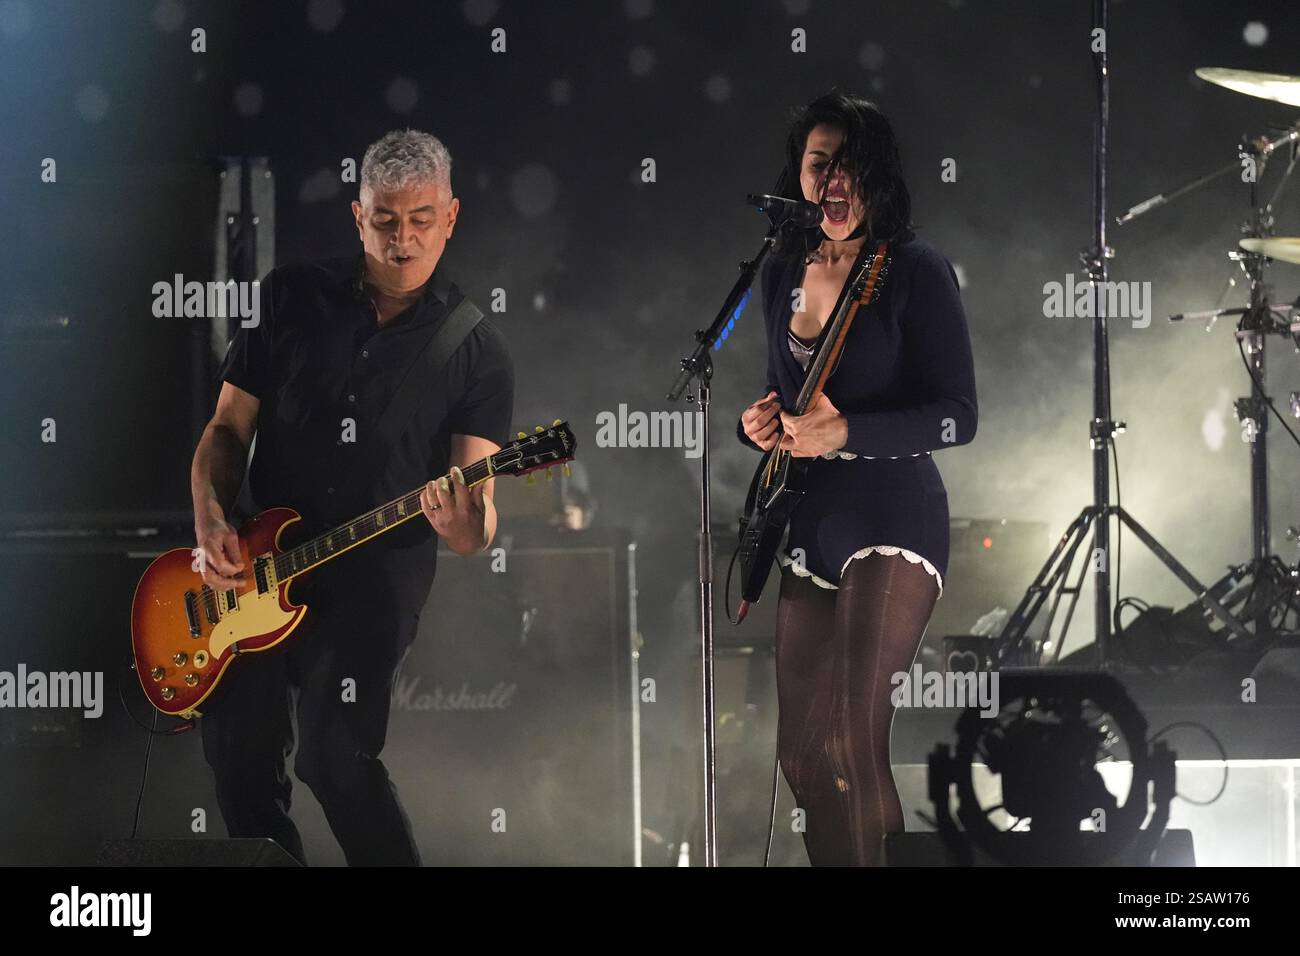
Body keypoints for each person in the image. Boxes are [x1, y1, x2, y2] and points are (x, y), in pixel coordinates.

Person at [190, 129, 515, 865]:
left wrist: (464, 522)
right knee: (242, 768)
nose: (403, 240)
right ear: (356, 215)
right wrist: (211, 516)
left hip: (372, 581)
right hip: (260, 562)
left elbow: (475, 527)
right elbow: (227, 427)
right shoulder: (290, 297)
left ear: (452, 217)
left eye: (421, 220)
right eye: (385, 220)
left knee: (335, 760)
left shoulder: (477, 351)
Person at [737, 91, 977, 866]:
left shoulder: (914, 268)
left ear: (877, 177)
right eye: (818, 165)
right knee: (801, 759)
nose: (833, 180)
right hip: (811, 520)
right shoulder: (781, 272)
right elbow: (789, 396)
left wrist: (849, 430)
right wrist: (762, 425)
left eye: (850, 166)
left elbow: (958, 416)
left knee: (851, 737)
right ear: (799, 177)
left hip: (894, 513)